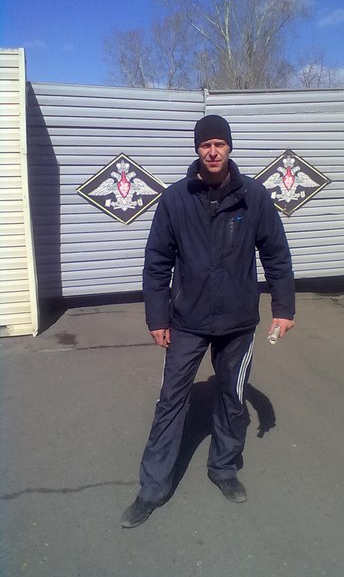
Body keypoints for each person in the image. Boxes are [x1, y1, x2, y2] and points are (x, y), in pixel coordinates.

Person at [121, 114, 295, 528]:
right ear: (197, 149)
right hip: (188, 319)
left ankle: (224, 469)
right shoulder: (176, 199)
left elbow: (276, 254)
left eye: (219, 144)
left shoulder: (253, 197)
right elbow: (157, 262)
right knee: (171, 401)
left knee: (233, 398)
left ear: (229, 147)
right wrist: (157, 316)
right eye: (205, 145)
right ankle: (152, 489)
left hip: (238, 321)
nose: (213, 151)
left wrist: (284, 308)